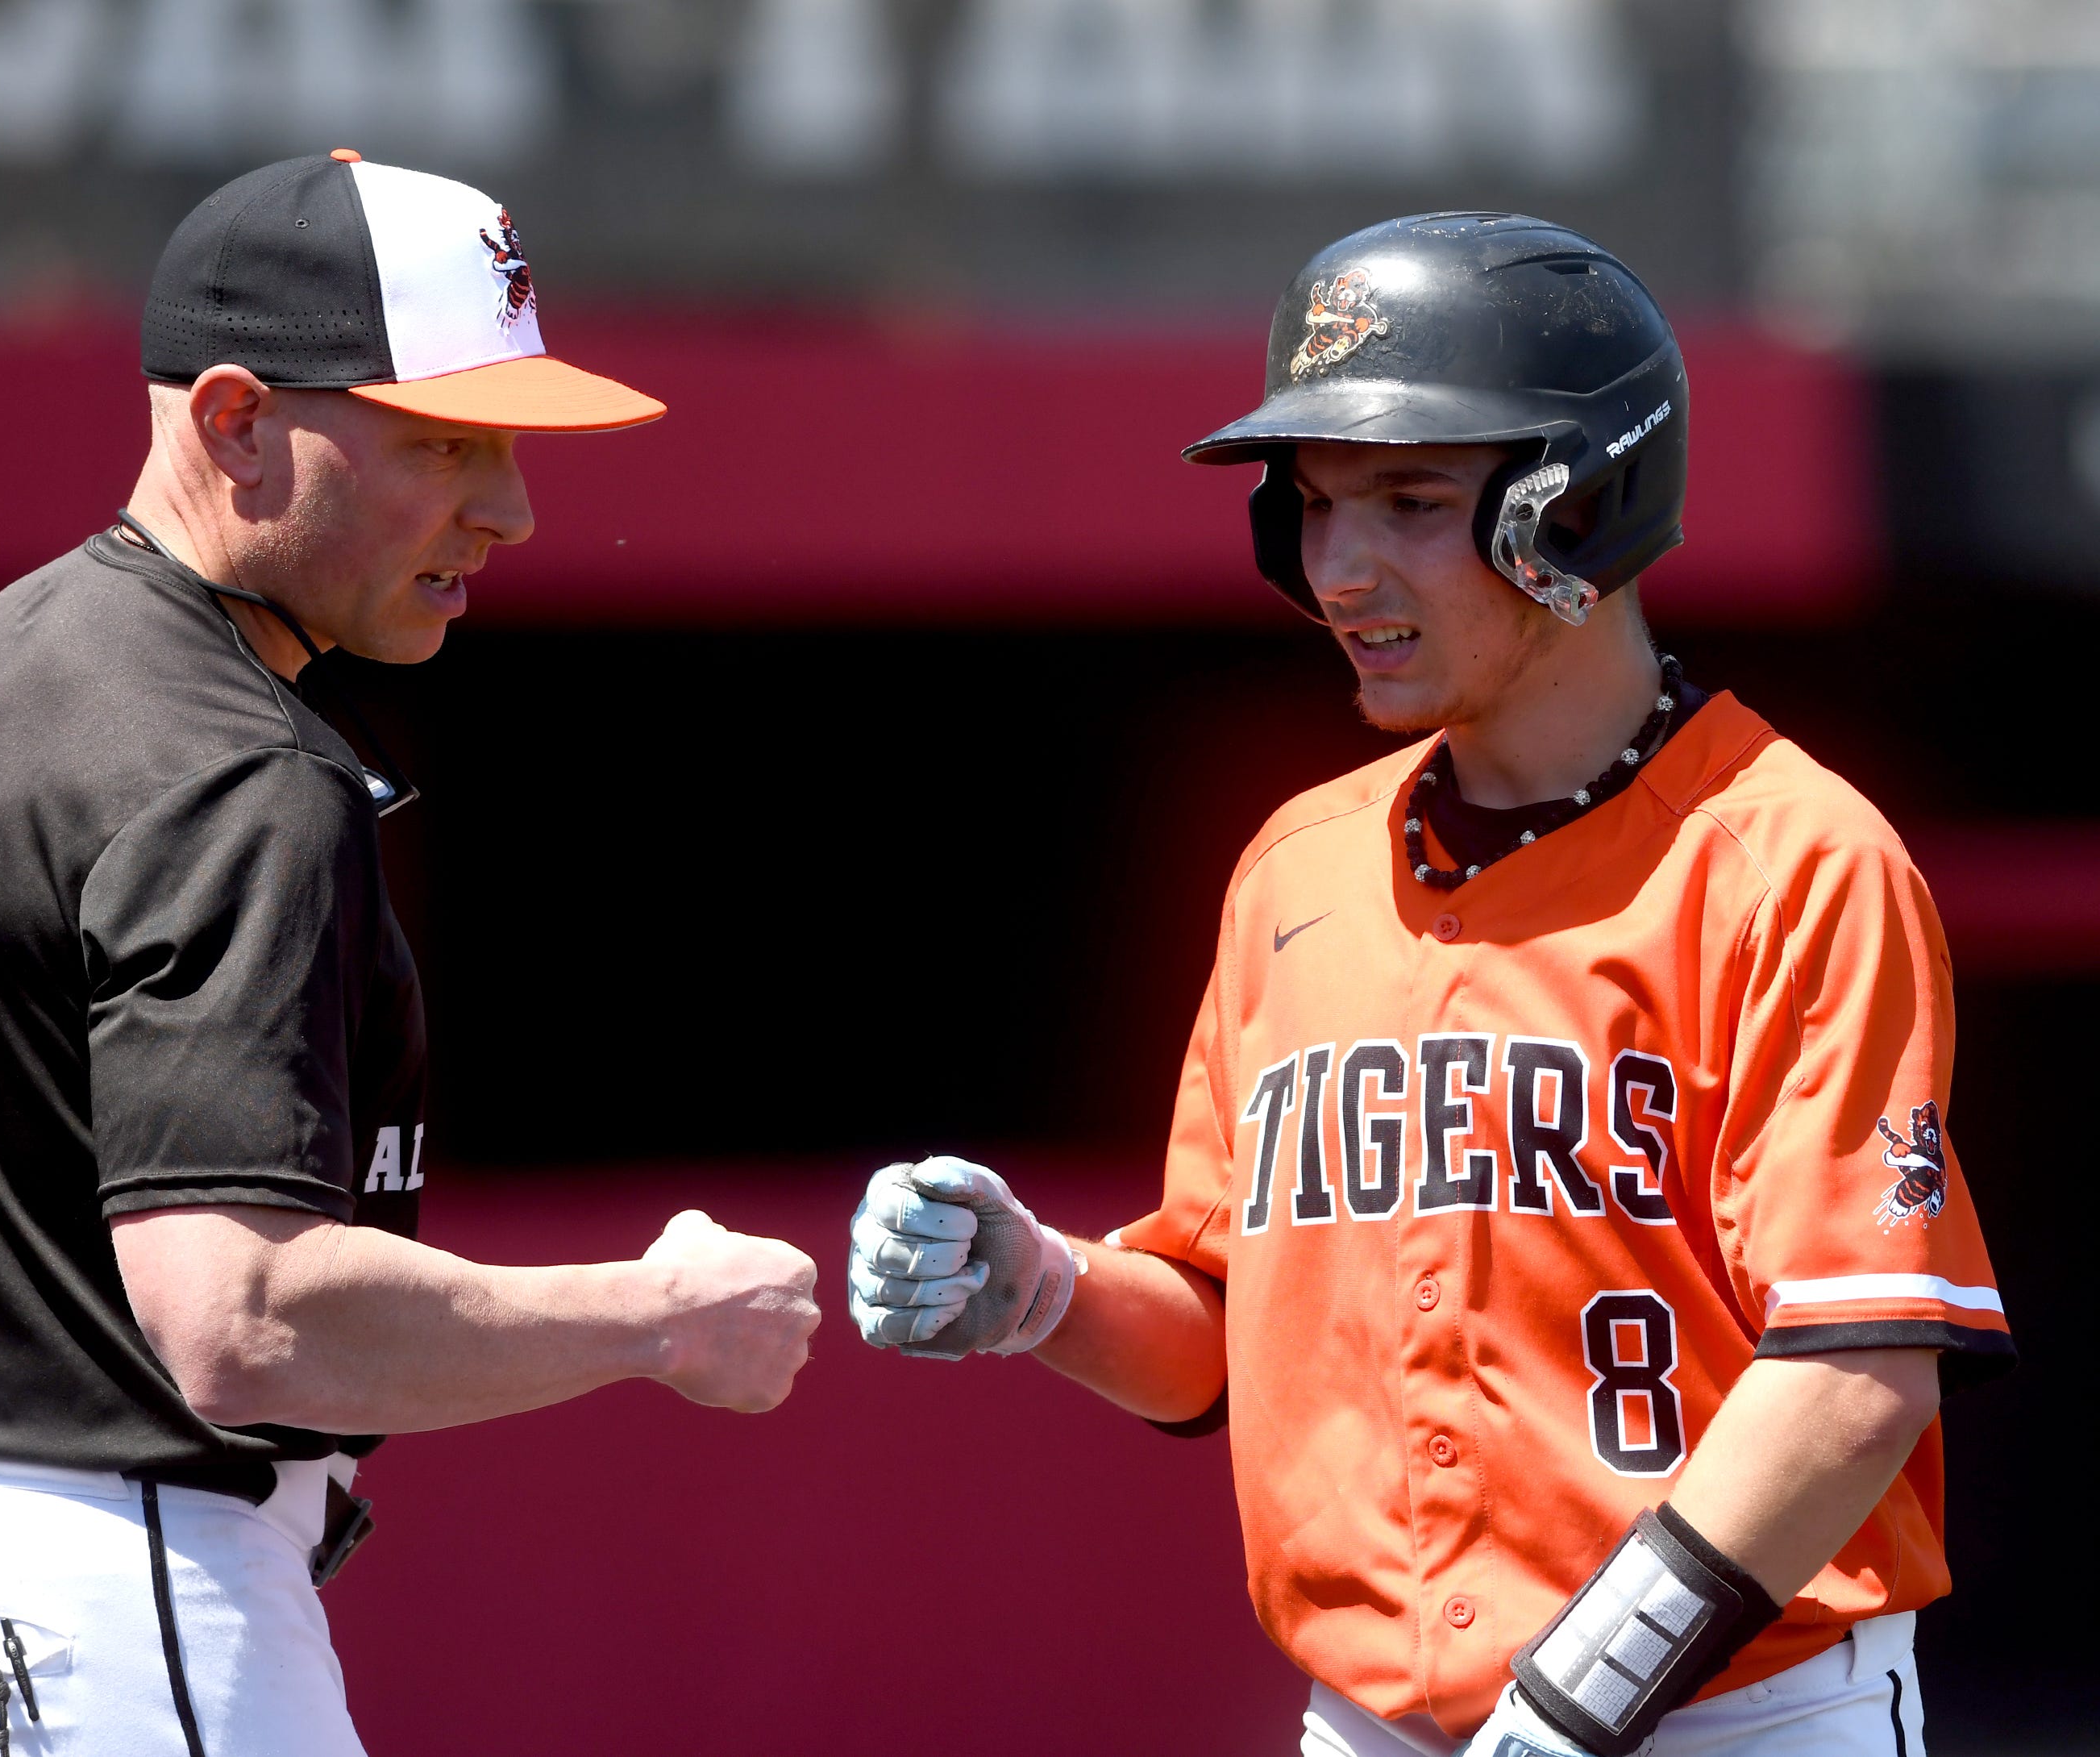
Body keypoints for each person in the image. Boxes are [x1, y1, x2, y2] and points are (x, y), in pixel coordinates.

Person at [846, 214, 2012, 1757]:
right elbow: (1221, 1326)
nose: (1342, 567)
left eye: (1409, 502)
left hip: (1740, 1713)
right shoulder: (1294, 869)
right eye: (1318, 506)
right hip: (1378, 1719)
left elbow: (1858, 1373)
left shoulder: (1791, 859)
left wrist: (1581, 1696)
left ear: (1576, 508)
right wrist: (1038, 1289)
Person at [0, 150, 820, 1757]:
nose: (513, 509)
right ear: (236, 420)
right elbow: (237, 1319)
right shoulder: (244, 772)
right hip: (118, 1609)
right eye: (447, 440)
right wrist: (659, 1316)